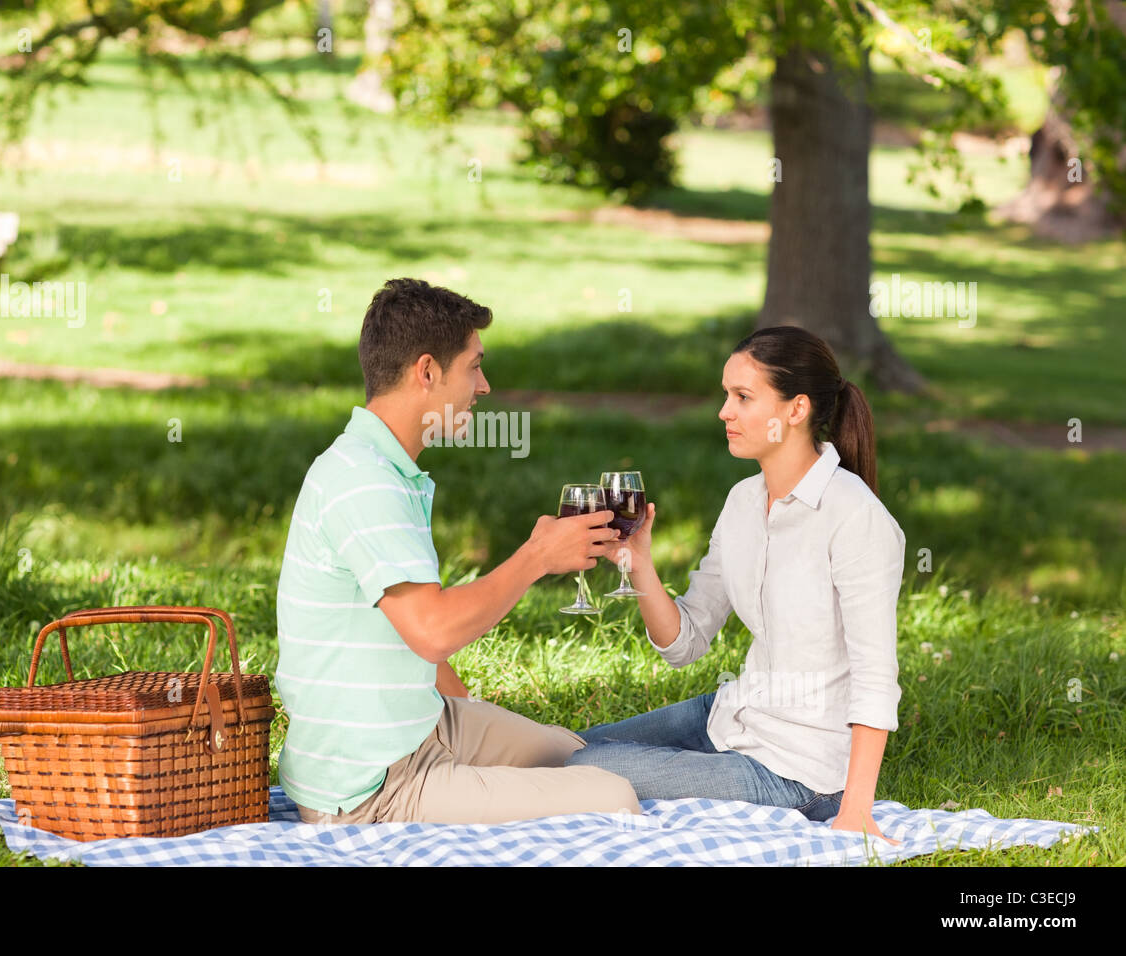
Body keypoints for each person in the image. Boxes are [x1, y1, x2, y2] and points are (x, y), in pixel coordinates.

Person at [275, 277, 641, 825]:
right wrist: (537, 556)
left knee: (572, 754)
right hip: (371, 786)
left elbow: (409, 631)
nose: (485, 386)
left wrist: (467, 721)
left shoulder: (385, 467)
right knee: (612, 798)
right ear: (427, 372)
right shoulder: (363, 480)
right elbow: (431, 630)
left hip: (425, 726)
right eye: (474, 366)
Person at [566, 325, 906, 844]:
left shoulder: (855, 517)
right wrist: (639, 563)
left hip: (799, 771)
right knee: (560, 749)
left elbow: (875, 676)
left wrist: (856, 809)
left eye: (743, 397)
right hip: (731, 716)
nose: (724, 411)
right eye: (727, 395)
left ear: (796, 410)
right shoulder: (744, 501)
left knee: (580, 771)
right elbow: (685, 643)